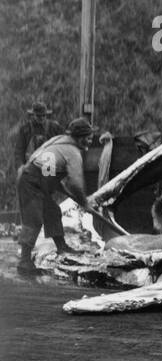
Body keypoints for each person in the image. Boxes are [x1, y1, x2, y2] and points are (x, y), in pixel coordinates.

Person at [16, 117, 95, 274]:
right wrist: (84, 203)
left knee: (52, 211)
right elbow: (76, 184)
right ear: (79, 137)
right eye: (88, 138)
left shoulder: (58, 140)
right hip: (31, 180)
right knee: (34, 219)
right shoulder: (72, 152)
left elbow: (48, 174)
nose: (90, 141)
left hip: (35, 177)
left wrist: (63, 189)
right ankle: (24, 262)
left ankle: (62, 248)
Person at [12, 101, 60, 177]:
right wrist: (20, 166)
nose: (41, 118)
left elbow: (60, 148)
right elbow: (19, 150)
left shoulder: (54, 127)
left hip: (48, 165)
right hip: (30, 165)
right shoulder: (25, 129)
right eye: (38, 116)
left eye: (44, 115)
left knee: (47, 186)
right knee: (31, 186)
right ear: (33, 115)